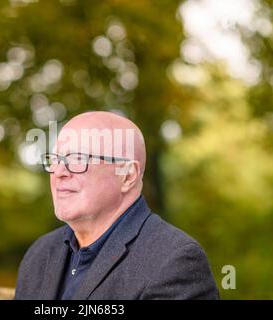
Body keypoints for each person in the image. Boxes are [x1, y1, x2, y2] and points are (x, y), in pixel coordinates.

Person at [15, 111, 219, 300]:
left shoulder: (174, 261)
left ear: (127, 176)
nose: (59, 172)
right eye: (56, 159)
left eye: (77, 159)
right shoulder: (41, 252)